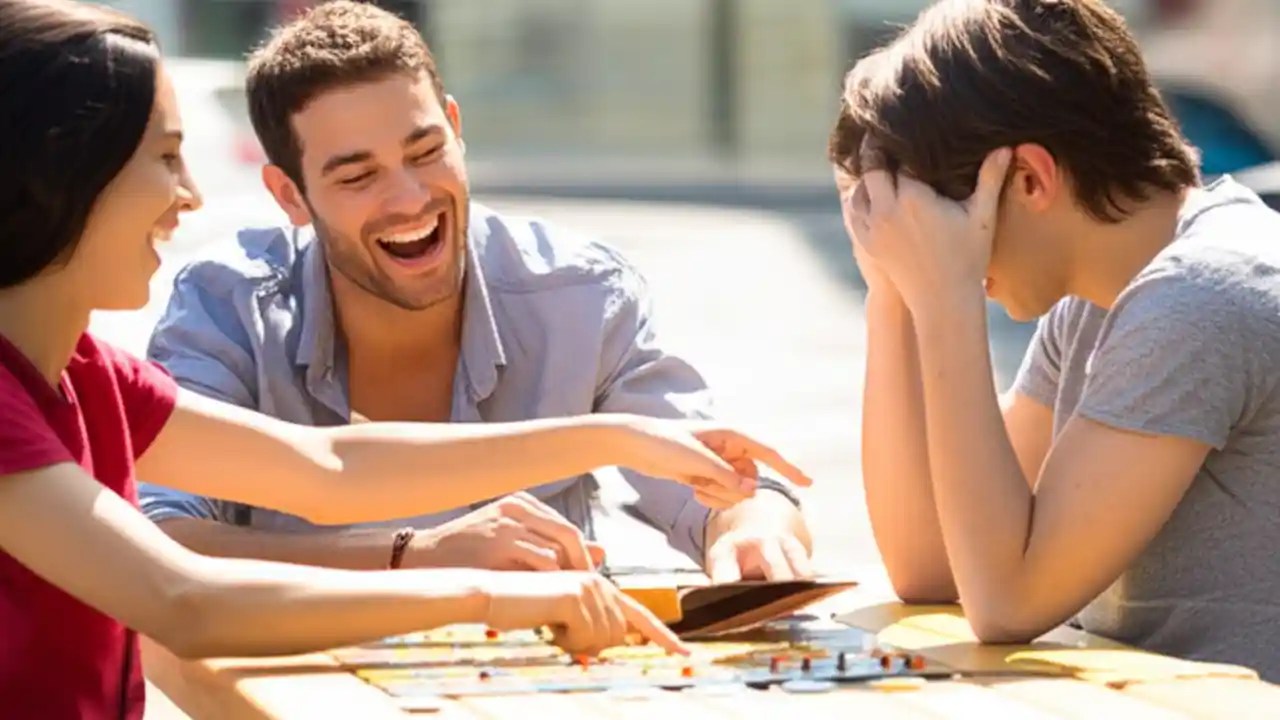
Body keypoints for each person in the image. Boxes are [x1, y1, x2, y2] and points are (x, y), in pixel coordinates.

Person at [0, 1, 814, 716]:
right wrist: (483, 593)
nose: (193, 195)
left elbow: (326, 466)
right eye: (166, 158)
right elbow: (181, 597)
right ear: (64, 176)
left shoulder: (87, 373)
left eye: (424, 153)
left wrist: (615, 438)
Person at [139, 0, 814, 582]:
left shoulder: (577, 293)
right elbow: (157, 542)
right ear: (290, 196)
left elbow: (717, 482)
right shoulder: (226, 307)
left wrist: (750, 528)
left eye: (427, 151)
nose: (409, 198)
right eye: (357, 176)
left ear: (458, 130)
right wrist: (415, 557)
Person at [832, 0, 1280, 679]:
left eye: (944, 223)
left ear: (1031, 179)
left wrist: (947, 299)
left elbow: (1008, 600)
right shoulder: (1102, 299)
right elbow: (932, 564)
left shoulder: (1201, 293)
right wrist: (893, 292)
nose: (942, 252)